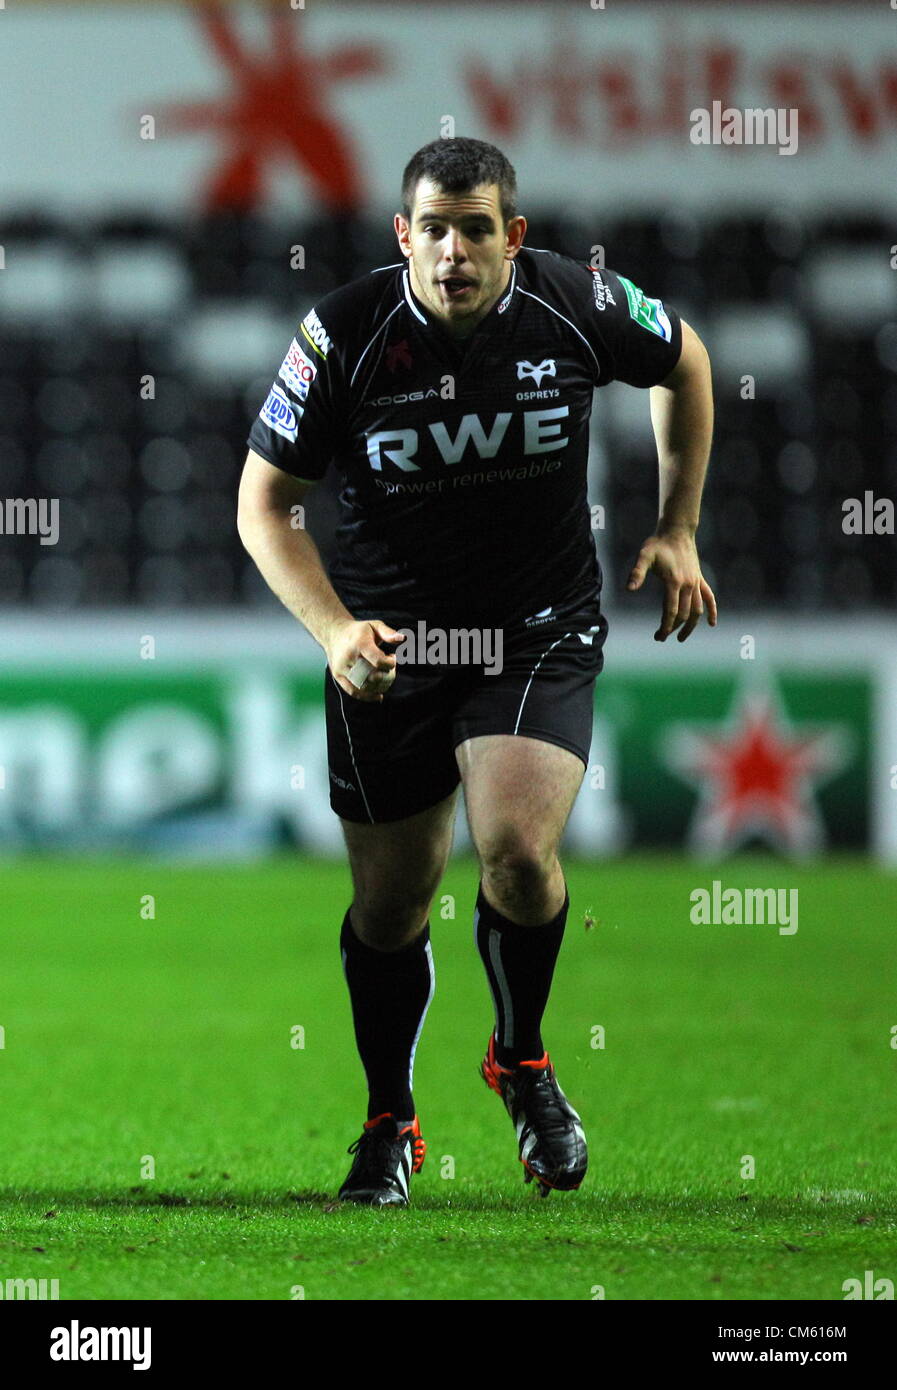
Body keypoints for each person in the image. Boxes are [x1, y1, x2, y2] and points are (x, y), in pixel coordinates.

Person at [237, 137, 716, 1205]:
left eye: (477, 229)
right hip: (389, 650)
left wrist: (678, 525)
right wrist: (332, 632)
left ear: (515, 237)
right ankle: (389, 1119)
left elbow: (685, 360)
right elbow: (262, 504)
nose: (454, 251)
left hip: (532, 627)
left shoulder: (575, 305)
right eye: (434, 230)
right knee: (392, 906)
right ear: (403, 235)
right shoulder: (342, 336)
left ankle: (523, 1057)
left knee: (516, 854)